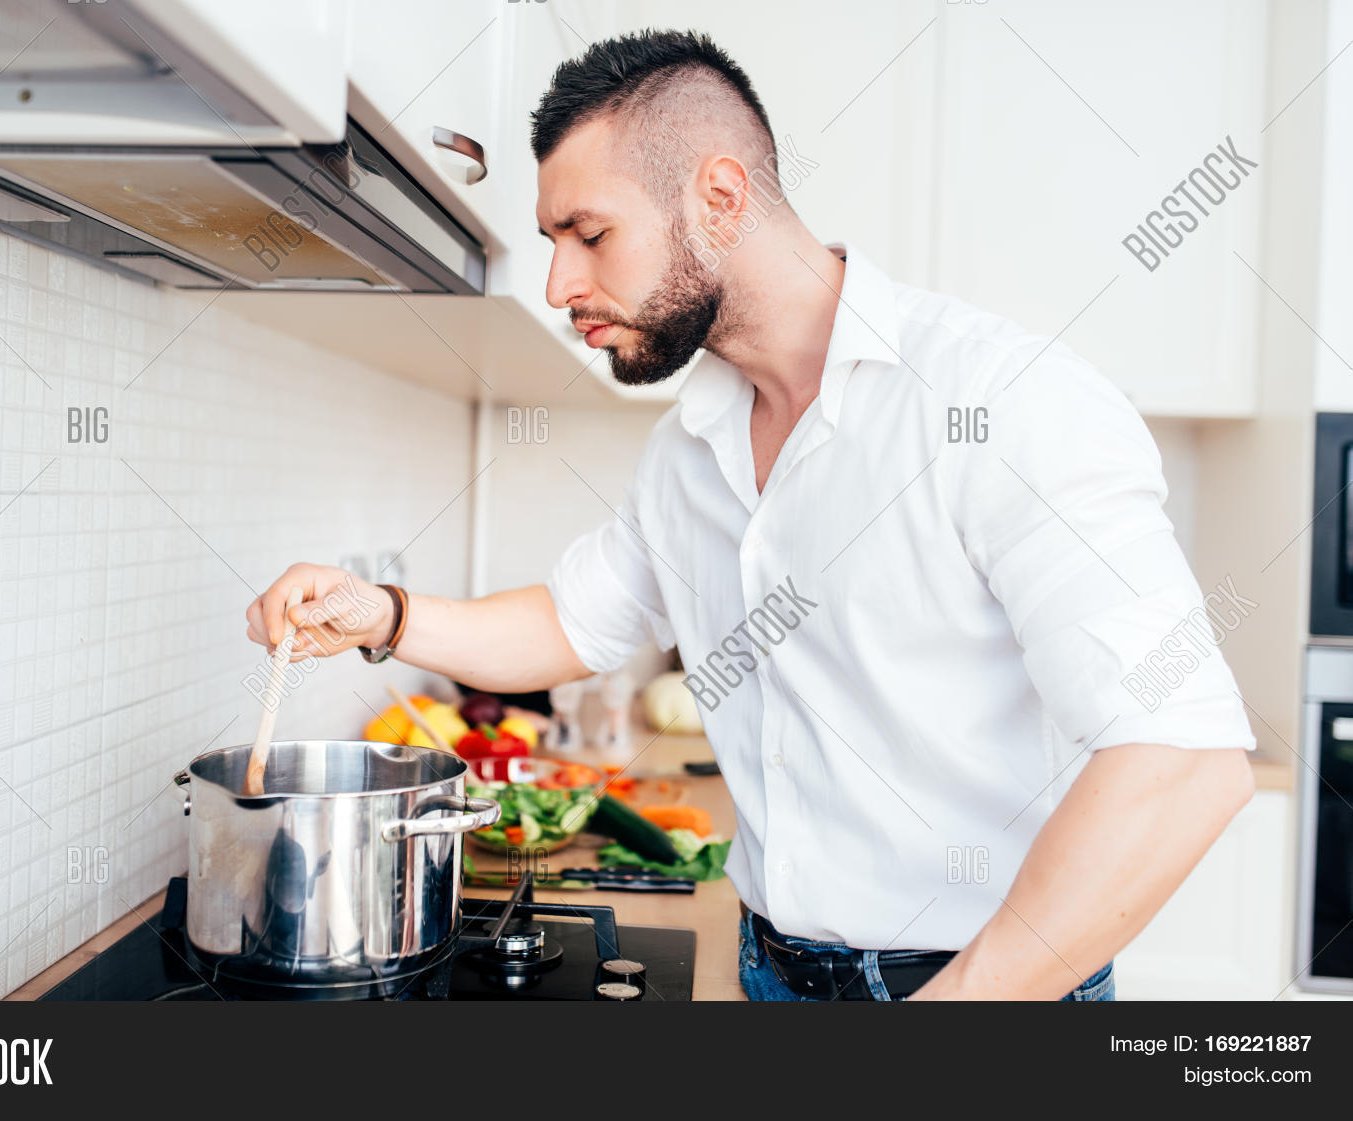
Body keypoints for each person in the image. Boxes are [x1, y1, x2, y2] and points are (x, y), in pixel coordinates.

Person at [246, 29, 1255, 1001]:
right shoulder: (690, 449)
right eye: (555, 242)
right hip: (773, 973)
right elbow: (569, 621)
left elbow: (1183, 762)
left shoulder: (1003, 400)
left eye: (590, 235)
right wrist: (380, 612)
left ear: (720, 197)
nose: (560, 285)